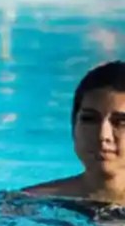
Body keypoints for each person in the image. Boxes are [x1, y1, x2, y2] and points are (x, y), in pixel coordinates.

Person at [20, 61, 125, 206]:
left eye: (121, 122)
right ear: (74, 126)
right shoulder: (27, 204)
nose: (103, 135)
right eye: (89, 119)